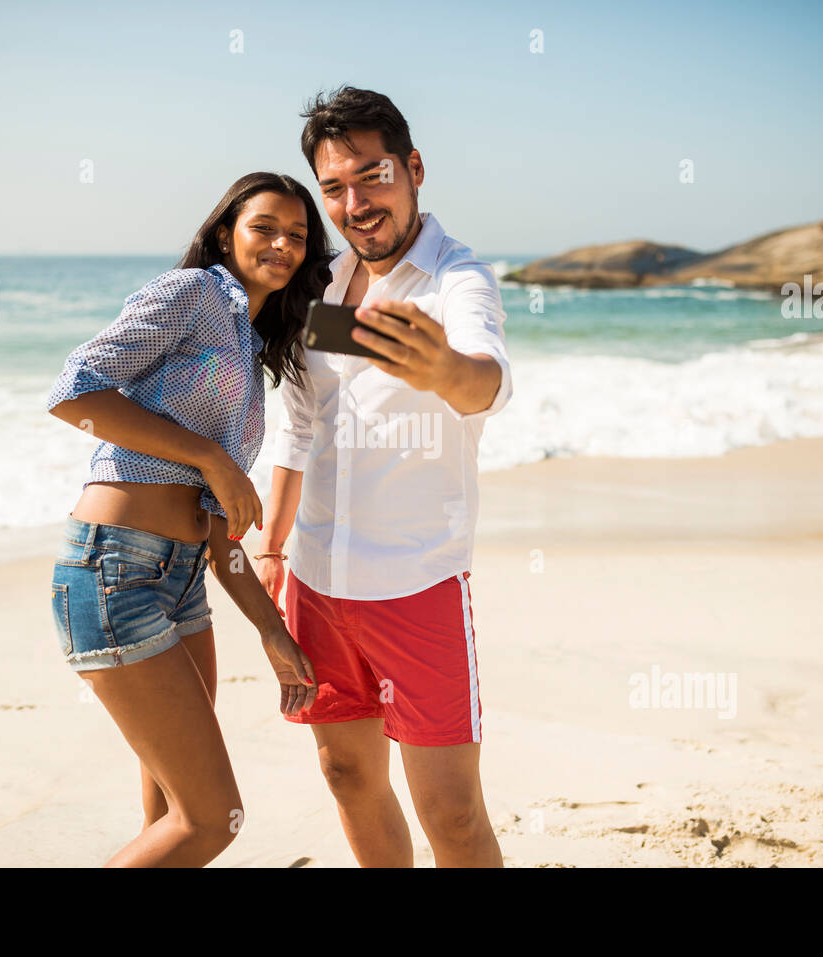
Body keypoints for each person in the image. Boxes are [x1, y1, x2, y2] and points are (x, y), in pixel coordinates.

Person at [257, 88, 513, 867]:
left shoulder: (454, 280)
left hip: (418, 583)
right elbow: (302, 423)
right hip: (317, 582)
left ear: (414, 169)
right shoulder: (319, 287)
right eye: (335, 186)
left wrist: (443, 367)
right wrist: (270, 547)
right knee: (344, 773)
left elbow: (485, 381)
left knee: (453, 812)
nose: (356, 202)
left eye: (373, 176)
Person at [46, 171, 328, 867]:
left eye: (297, 235)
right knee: (212, 820)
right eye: (264, 227)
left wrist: (272, 628)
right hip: (114, 569)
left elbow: (213, 527)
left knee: (174, 814)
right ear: (226, 231)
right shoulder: (194, 294)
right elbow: (72, 391)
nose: (282, 244)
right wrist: (210, 455)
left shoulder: (252, 342)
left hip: (180, 583)